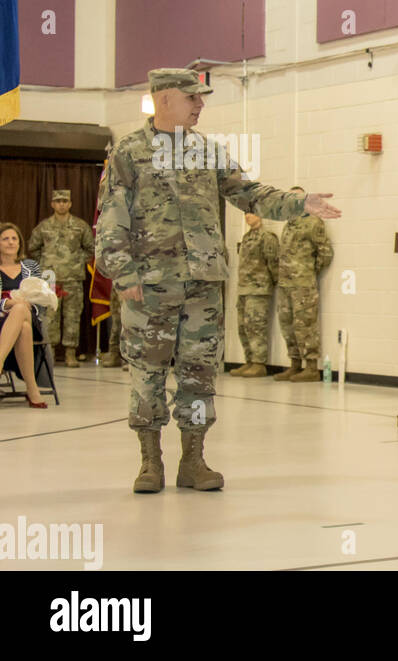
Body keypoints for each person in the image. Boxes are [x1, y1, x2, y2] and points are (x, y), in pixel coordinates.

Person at [96, 68, 341, 494]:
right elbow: (111, 217)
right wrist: (122, 272)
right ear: (166, 98)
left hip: (203, 286)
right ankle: (149, 462)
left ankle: (193, 460)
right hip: (150, 284)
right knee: (147, 373)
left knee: (198, 374)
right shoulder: (128, 153)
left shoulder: (207, 152)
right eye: (193, 97)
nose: (200, 104)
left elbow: (249, 193)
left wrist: (301, 203)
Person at [28, 189, 93, 367]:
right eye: (58, 201)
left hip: (73, 278)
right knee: (50, 316)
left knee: (72, 316)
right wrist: (46, 263)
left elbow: (90, 248)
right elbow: (33, 248)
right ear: (52, 204)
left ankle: (70, 353)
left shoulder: (80, 226)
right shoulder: (44, 226)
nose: (61, 204)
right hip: (50, 279)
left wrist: (77, 262)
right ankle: (50, 352)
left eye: (65, 201)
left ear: (70, 204)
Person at [273, 187, 332, 382]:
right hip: (285, 283)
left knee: (305, 325)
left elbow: (325, 252)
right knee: (287, 325)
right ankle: (295, 364)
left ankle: (312, 368)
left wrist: (307, 271)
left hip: (303, 283)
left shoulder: (313, 222)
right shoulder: (289, 223)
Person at [0, 223, 49, 407]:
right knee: (23, 328)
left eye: (14, 239)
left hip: (30, 313)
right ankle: (32, 389)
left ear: (20, 243)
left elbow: (40, 297)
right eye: (5, 239)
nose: (11, 242)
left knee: (22, 311)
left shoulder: (30, 266)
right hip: (2, 321)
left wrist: (20, 304)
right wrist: (9, 303)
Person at [232, 212, 279, 378]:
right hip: (244, 288)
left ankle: (259, 364)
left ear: (260, 215)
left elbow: (273, 262)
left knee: (256, 327)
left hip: (259, 288)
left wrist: (273, 282)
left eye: (251, 213)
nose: (247, 217)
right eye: (245, 214)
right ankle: (249, 361)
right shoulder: (246, 237)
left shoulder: (267, 237)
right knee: (243, 327)